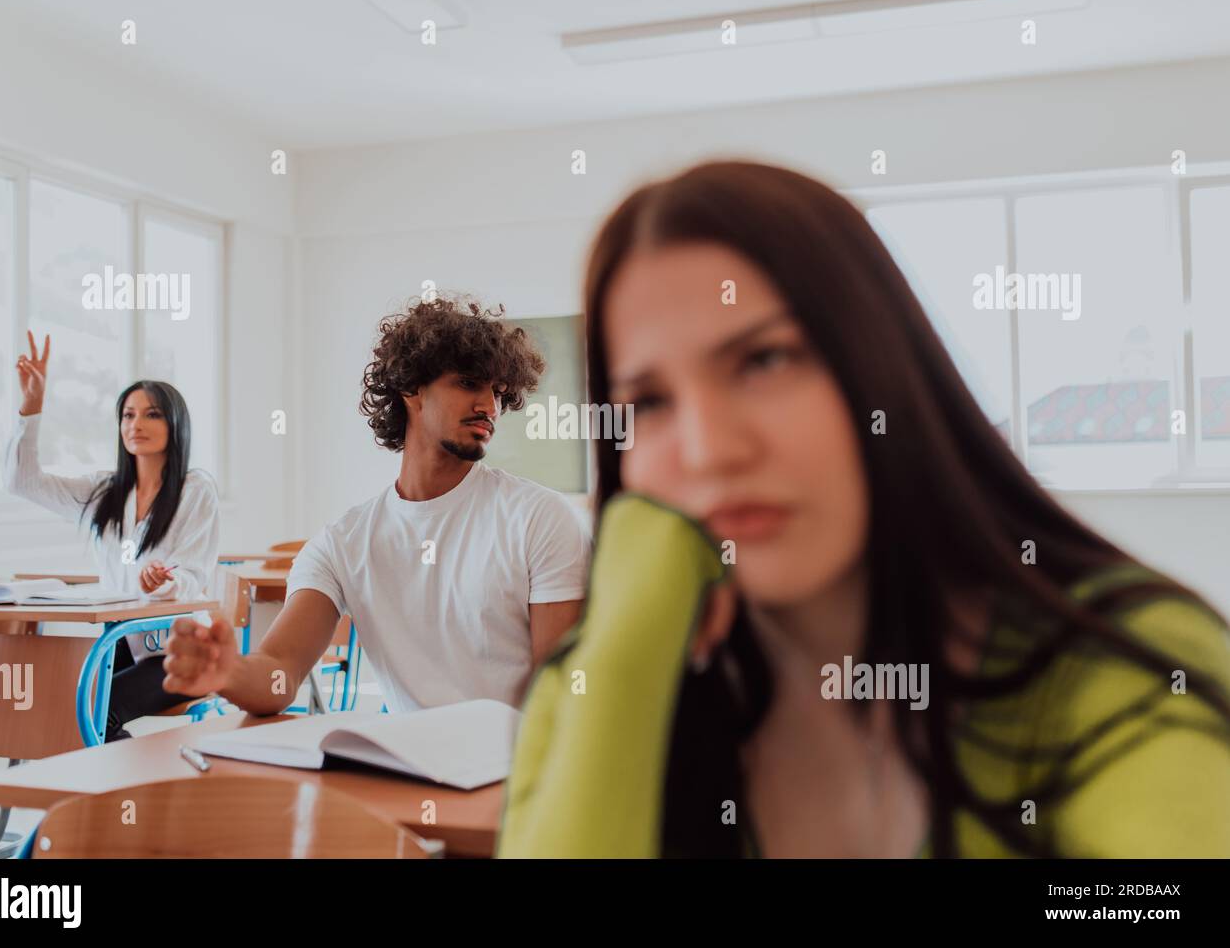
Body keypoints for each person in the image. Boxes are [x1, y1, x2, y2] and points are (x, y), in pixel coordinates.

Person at [497, 161, 1230, 858]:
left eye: (765, 360)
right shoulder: (598, 678)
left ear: (881, 369)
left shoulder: (1116, 665)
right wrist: (628, 639)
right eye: (648, 401)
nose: (710, 448)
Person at [161, 295, 590, 714]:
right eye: (468, 383)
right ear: (410, 387)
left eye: (498, 392)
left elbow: (560, 697)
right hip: (409, 771)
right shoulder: (342, 544)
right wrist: (229, 673)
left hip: (513, 775)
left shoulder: (540, 519)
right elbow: (280, 672)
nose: (489, 406)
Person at [5, 331, 219, 741]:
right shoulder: (103, 490)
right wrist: (30, 410)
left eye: (152, 414)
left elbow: (193, 575)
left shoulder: (195, 490)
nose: (136, 424)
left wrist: (164, 581)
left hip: (183, 651)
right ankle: (110, 801)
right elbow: (23, 482)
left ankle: (134, 799)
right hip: (126, 642)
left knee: (93, 712)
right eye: (128, 415)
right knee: (61, 704)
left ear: (175, 425)